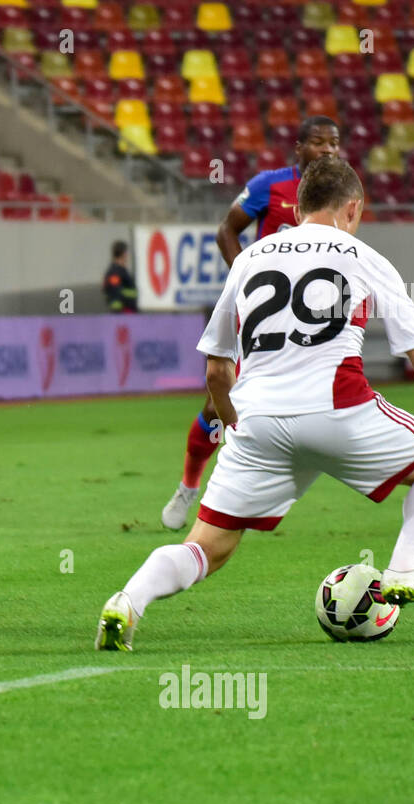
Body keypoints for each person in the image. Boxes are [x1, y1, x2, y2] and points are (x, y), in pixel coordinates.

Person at [97, 156, 414, 650]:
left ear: (296, 209)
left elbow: (216, 369)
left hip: (257, 421)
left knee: (206, 547)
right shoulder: (360, 254)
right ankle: (408, 568)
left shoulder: (251, 258)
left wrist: (235, 427)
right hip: (339, 408)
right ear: (353, 209)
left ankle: (127, 601)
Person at [160, 116, 341, 530]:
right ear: (299, 148)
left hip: (314, 314)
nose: (328, 150)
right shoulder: (269, 185)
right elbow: (227, 229)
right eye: (318, 142)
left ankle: (267, 490)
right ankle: (191, 486)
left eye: (334, 143)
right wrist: (246, 279)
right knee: (219, 402)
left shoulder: (343, 193)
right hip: (267, 313)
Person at [103, 240, 136, 313]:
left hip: (129, 311)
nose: (127, 256)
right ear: (123, 254)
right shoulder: (115, 272)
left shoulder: (122, 270)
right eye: (126, 253)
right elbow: (116, 291)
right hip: (123, 312)